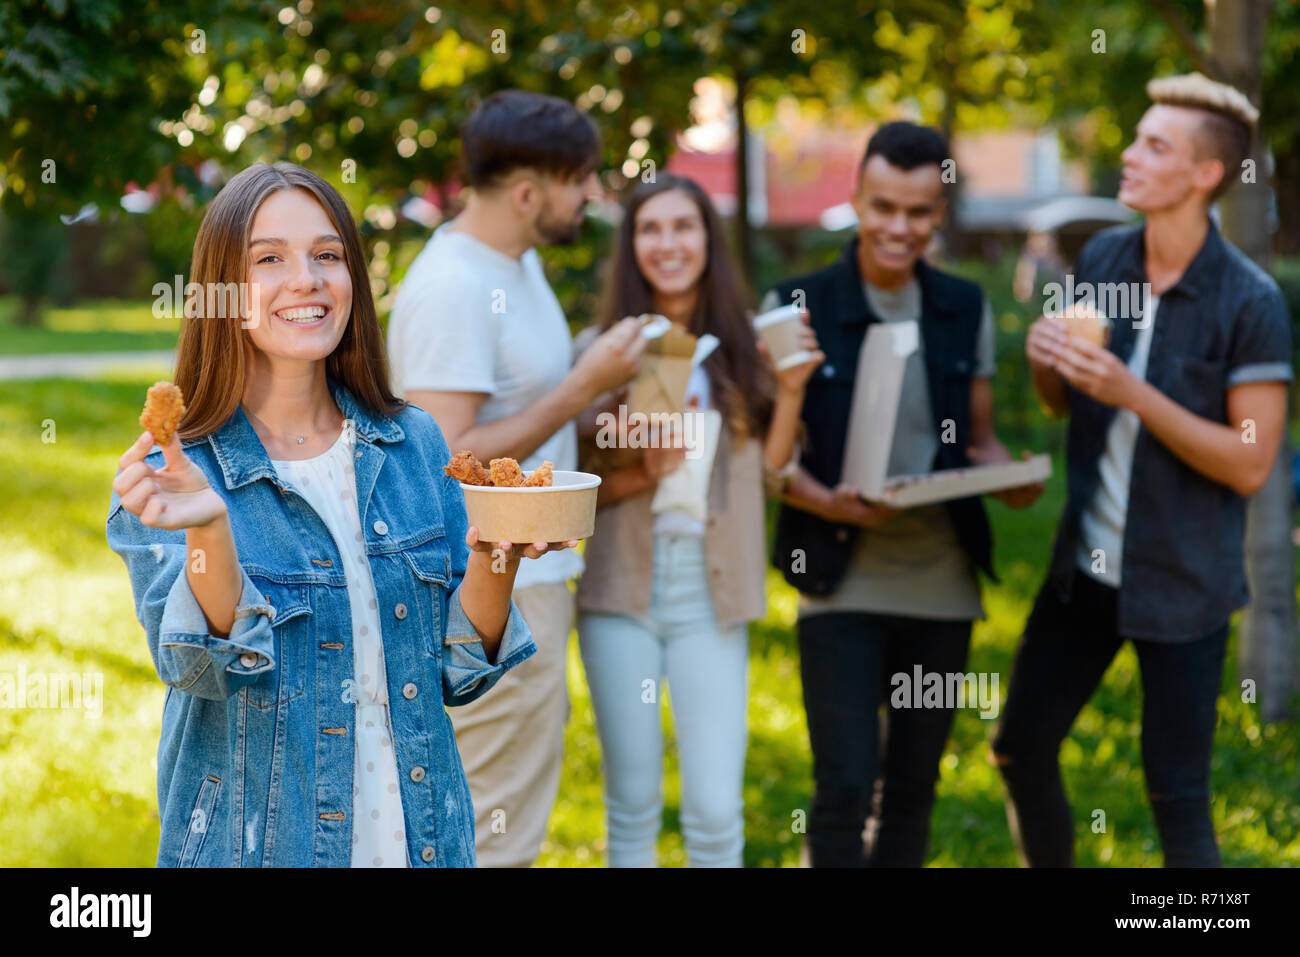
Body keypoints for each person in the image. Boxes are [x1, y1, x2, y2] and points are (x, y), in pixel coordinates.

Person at [107, 161, 565, 867]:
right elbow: (203, 668)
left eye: (328, 255)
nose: (307, 279)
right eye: (269, 259)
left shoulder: (414, 444)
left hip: (421, 844)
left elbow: (459, 666)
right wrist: (208, 526)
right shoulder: (176, 471)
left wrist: (497, 545)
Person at [993, 73, 1292, 867]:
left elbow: (1251, 461)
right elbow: (1063, 405)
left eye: (1154, 144)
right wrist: (1047, 364)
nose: (1127, 154)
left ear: (1204, 175)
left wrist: (1134, 392)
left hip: (1184, 584)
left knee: (1178, 797)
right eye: (1136, 135)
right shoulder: (1105, 258)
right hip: (1086, 567)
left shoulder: (1249, 299)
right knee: (1019, 748)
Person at [762, 121, 1043, 867]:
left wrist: (1008, 475)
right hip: (839, 581)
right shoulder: (796, 301)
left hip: (940, 588)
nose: (898, 227)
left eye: (918, 212)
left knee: (913, 787)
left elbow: (977, 437)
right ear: (855, 197)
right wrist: (828, 502)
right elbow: (769, 456)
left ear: (939, 213)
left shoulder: (962, 305)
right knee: (844, 784)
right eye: (882, 206)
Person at [386, 90, 646, 867]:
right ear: (529, 192)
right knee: (491, 827)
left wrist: (602, 414)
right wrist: (579, 385)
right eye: (582, 181)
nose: (592, 196)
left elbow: (521, 415)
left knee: (515, 814)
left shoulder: (516, 263)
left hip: (535, 571)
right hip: (495, 584)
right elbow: (449, 454)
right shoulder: (455, 286)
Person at [574, 173, 820, 866]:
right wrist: (635, 467)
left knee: (715, 810)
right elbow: (568, 493)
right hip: (622, 589)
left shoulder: (742, 350)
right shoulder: (604, 350)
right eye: (650, 229)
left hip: (711, 594)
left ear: (709, 240)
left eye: (684, 226)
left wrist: (793, 391)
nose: (668, 243)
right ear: (632, 246)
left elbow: (772, 474)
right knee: (633, 804)